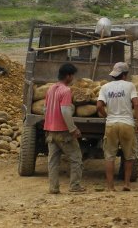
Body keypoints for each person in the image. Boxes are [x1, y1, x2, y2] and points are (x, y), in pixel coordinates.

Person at [96, 62, 138, 191]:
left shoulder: (105, 87)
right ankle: (126, 184)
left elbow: (99, 106)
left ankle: (110, 187)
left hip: (111, 124)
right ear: (125, 75)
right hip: (127, 124)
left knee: (109, 156)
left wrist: (107, 115)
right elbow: (137, 104)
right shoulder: (130, 86)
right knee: (129, 155)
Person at [44, 62, 85, 194]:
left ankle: (53, 187)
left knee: (53, 161)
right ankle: (75, 186)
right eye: (72, 75)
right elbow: (66, 111)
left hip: (50, 131)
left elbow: (45, 109)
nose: (72, 78)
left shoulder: (50, 89)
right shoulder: (66, 90)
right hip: (63, 131)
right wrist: (73, 129)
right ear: (68, 76)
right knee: (76, 158)